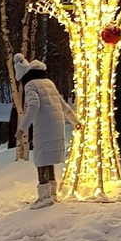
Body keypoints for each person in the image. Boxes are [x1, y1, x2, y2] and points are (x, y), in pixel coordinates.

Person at [14, 54, 79, 209]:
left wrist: (22, 128)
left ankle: (44, 197)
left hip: (44, 125)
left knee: (41, 159)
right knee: (48, 158)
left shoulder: (31, 86)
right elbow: (63, 104)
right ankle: (52, 193)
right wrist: (75, 121)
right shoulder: (48, 82)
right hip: (57, 124)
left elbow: (34, 106)